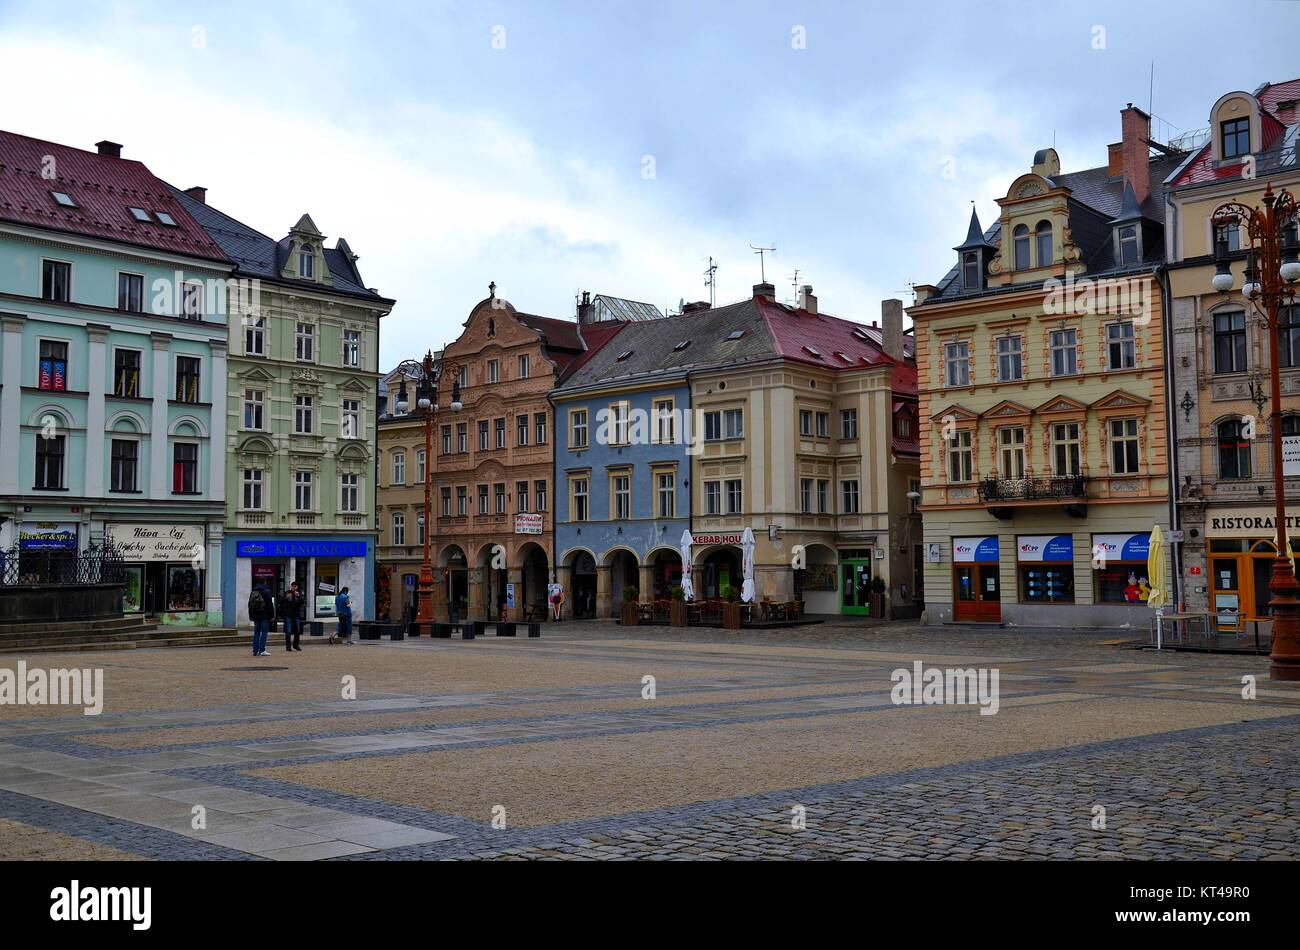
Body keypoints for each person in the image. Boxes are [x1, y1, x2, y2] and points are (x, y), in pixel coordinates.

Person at [248, 578, 275, 657]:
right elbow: (270, 604)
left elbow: (249, 604)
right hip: (264, 615)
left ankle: (255, 650)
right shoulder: (266, 591)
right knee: (264, 632)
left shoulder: (253, 591)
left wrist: (251, 615)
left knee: (256, 632)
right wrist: (272, 615)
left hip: (256, 615)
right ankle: (262, 650)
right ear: (265, 582)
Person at [282, 581, 305, 652]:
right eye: (293, 586)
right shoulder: (287, 593)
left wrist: (298, 596)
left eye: (295, 586)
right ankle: (288, 646)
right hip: (288, 615)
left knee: (297, 631)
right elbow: (281, 601)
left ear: (297, 587)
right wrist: (286, 598)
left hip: (296, 615)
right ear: (291, 587)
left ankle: (296, 645)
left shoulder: (298, 593)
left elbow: (302, 602)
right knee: (288, 631)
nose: (294, 588)